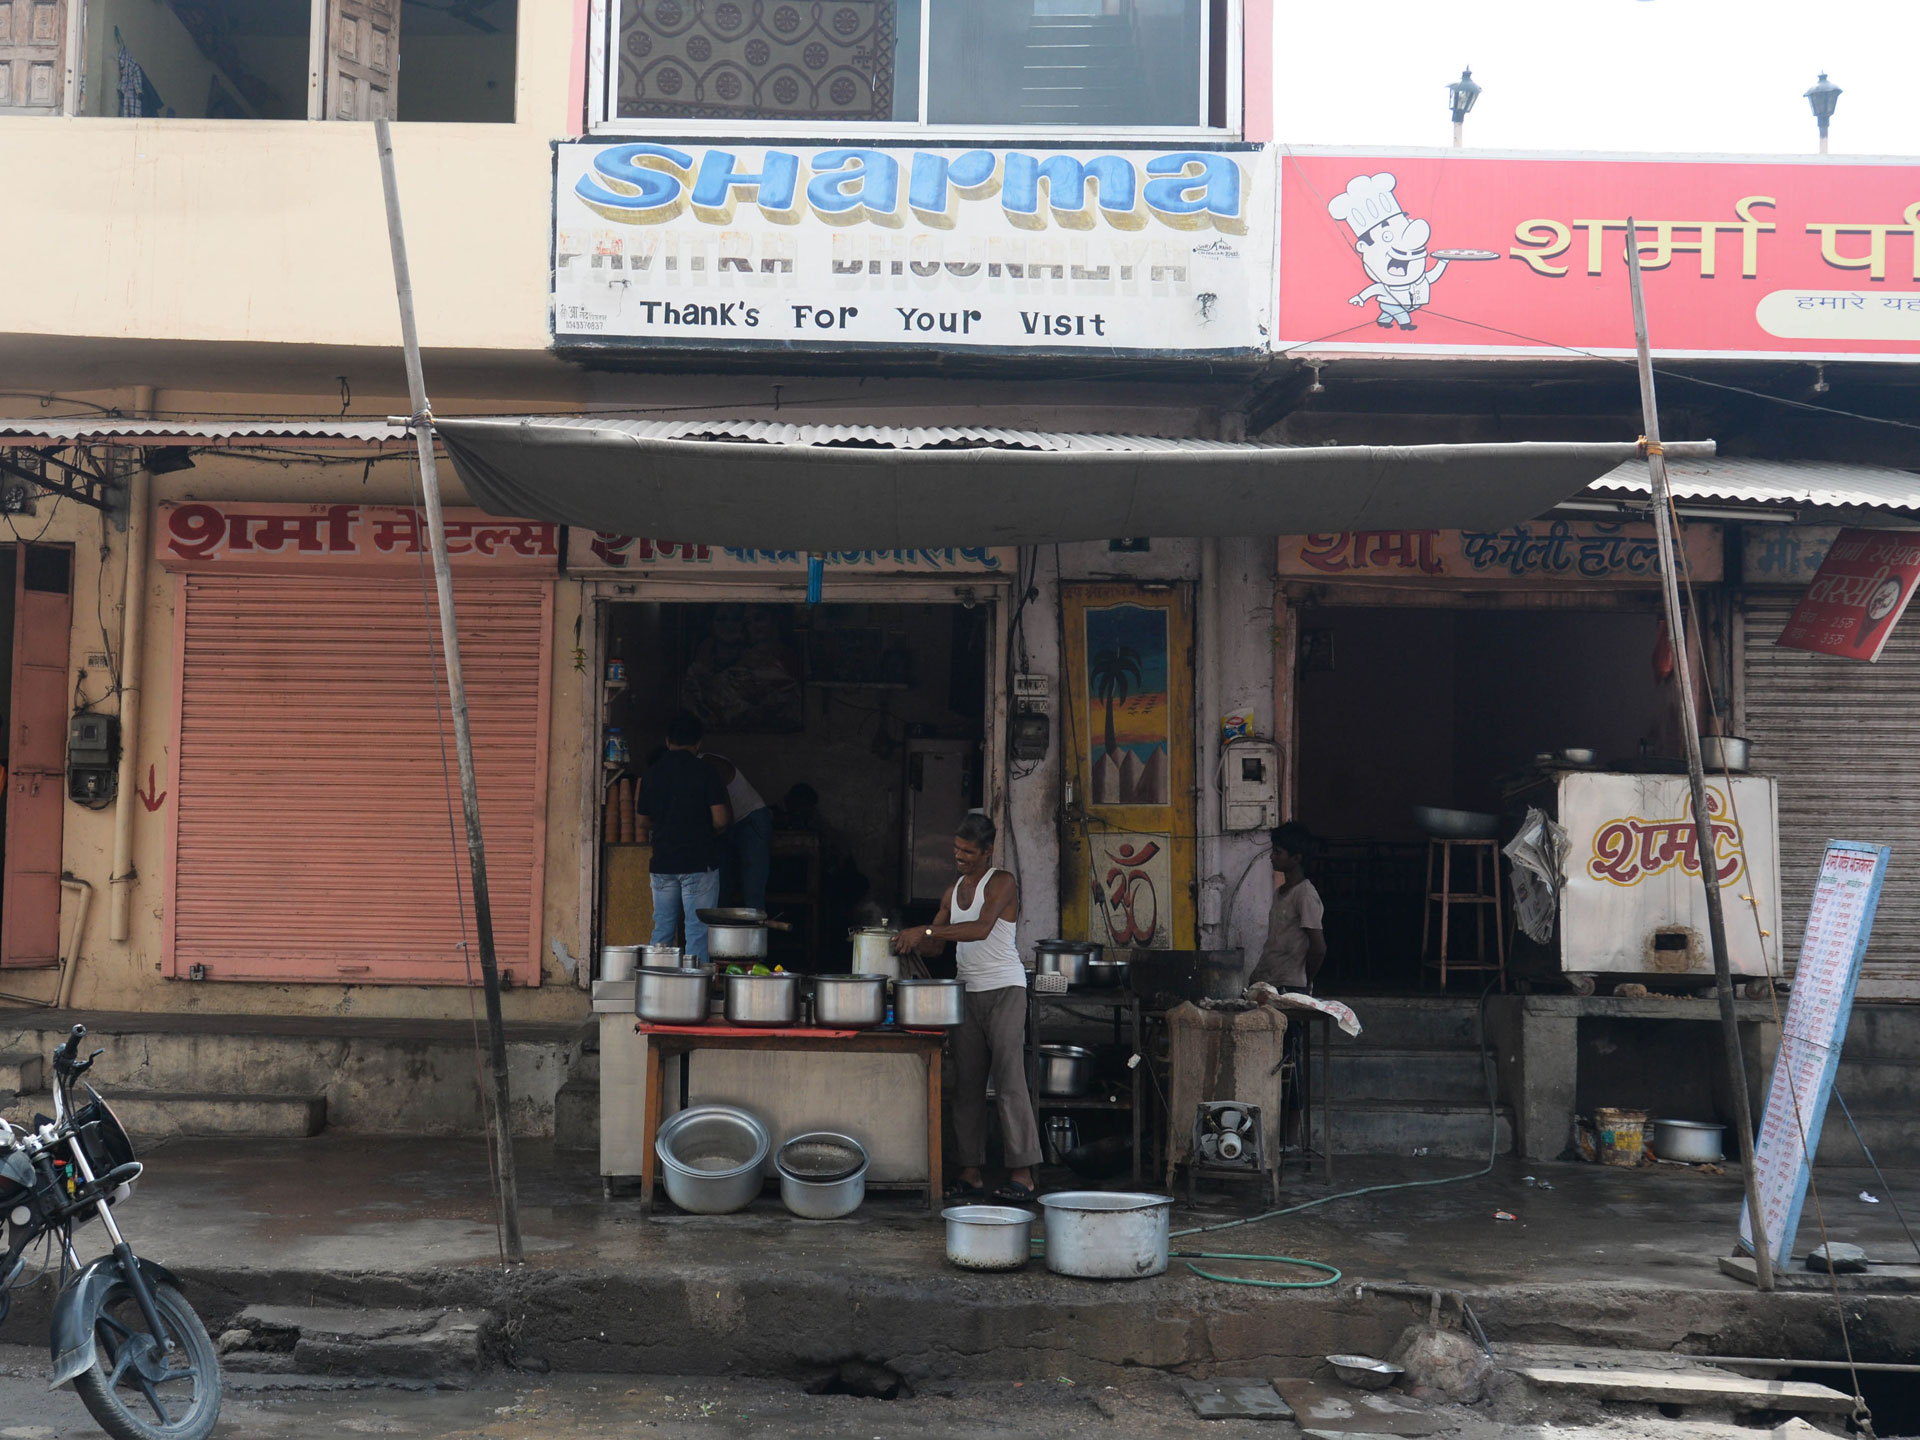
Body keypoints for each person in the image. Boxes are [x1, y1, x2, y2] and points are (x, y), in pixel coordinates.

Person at [894, 812, 1042, 1203]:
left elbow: (979, 928)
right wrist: (903, 940)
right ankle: (970, 1171)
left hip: (1005, 989)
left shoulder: (1002, 883)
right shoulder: (952, 891)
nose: (959, 857)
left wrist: (924, 930)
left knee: (1009, 1081)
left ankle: (1022, 1173)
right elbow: (937, 945)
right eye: (956, 849)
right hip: (967, 992)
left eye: (968, 851)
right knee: (967, 1085)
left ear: (988, 851)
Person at [636, 711, 731, 964]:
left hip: (663, 864)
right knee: (697, 932)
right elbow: (721, 819)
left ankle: (656, 992)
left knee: (662, 931)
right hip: (699, 862)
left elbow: (643, 822)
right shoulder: (706, 772)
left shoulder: (652, 774)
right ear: (698, 743)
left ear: (668, 741)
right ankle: (694, 995)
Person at [1248, 821, 1327, 993]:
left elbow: (1319, 948)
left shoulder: (1305, 895)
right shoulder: (1281, 892)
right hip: (1268, 979)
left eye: (1278, 852)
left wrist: (1306, 982)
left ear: (1296, 858)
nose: (1271, 856)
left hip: (1289, 984)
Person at [703, 751, 772, 912]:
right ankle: (724, 936)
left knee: (752, 887)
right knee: (721, 887)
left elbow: (726, 814)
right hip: (724, 825)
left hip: (749, 820)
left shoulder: (709, 764)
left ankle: (754, 936)